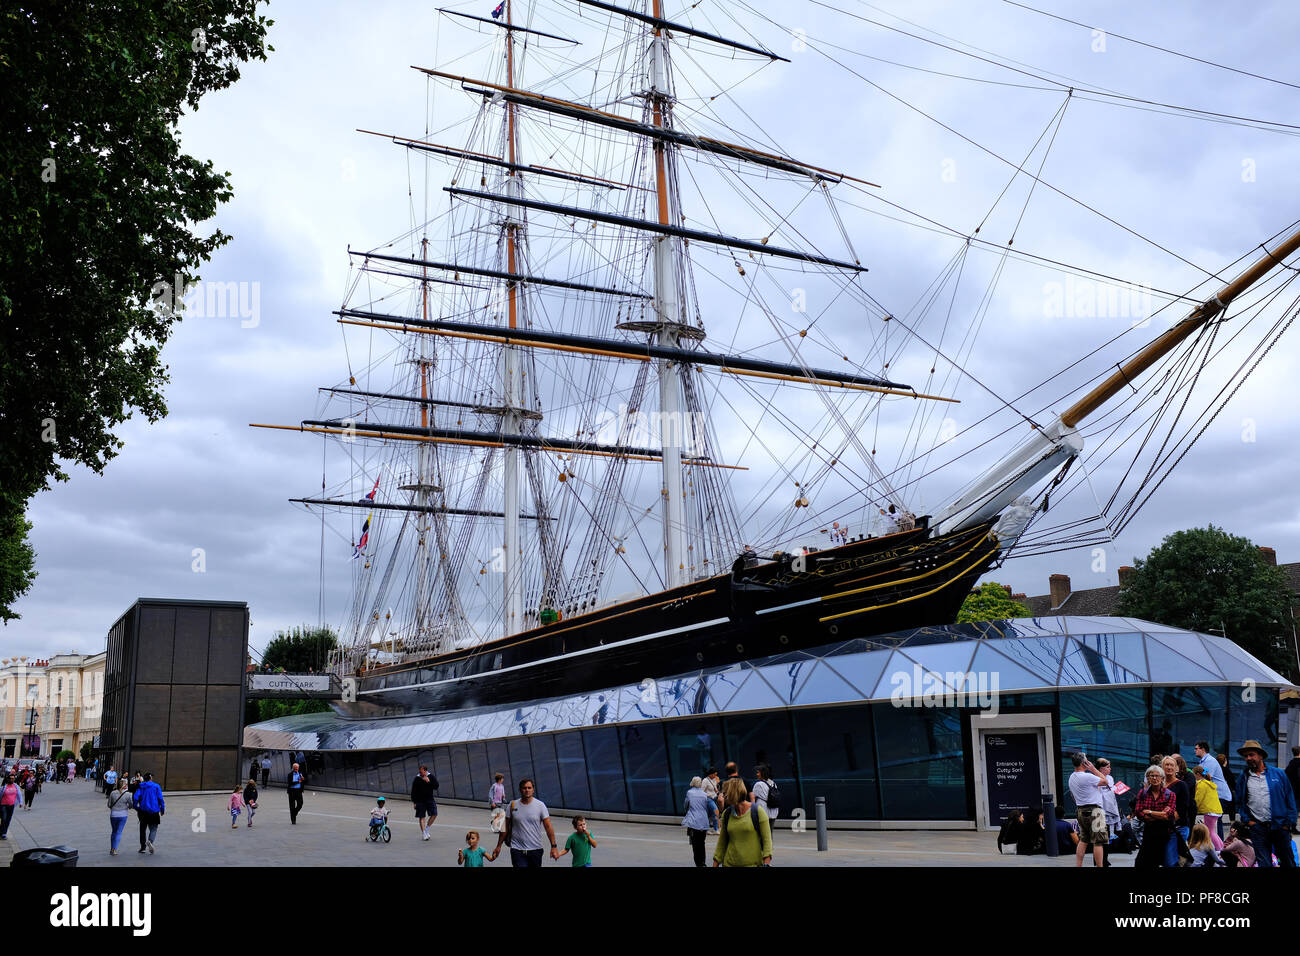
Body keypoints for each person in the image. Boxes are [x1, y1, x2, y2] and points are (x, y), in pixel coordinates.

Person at [1235, 739, 1298, 868]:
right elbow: (1239, 801)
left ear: (1261, 756)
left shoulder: (1279, 774)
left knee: (1287, 861)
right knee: (1264, 863)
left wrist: (1289, 823)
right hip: (1258, 828)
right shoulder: (1244, 777)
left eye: (1251, 754)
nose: (1248, 758)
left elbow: (1290, 798)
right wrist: (1247, 821)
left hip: (1280, 826)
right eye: (1246, 756)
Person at [492, 778, 560, 867]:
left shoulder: (540, 805)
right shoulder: (512, 805)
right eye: (524, 788)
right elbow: (505, 827)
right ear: (520, 790)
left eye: (529, 788)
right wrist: (498, 846)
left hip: (535, 849)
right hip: (517, 849)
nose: (527, 790)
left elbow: (548, 827)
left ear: (533, 789)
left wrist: (554, 846)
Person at [713, 777, 772, 867]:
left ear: (733, 793)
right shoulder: (727, 813)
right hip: (729, 864)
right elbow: (722, 842)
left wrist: (766, 863)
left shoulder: (758, 812)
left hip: (753, 864)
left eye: (725, 793)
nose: (723, 796)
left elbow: (767, 841)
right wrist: (715, 864)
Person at [1067, 752, 1108, 868]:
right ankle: (1100, 866)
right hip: (1095, 810)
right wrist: (1094, 769)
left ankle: (1078, 865)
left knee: (1084, 839)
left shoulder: (1071, 777)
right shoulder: (1087, 776)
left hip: (1080, 810)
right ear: (1084, 762)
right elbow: (1105, 782)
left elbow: (1072, 795)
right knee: (1098, 841)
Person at [1134, 765, 1176, 869]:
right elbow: (1139, 812)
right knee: (1140, 862)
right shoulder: (1143, 793)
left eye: (1157, 776)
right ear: (1147, 778)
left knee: (1161, 862)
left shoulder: (1169, 794)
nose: (1154, 778)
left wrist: (1149, 812)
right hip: (1148, 832)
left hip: (1164, 833)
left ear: (1162, 778)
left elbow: (1168, 815)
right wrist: (1159, 814)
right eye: (1151, 775)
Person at [1162, 756, 1194, 867]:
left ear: (1177, 768)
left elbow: (1182, 809)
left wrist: (1165, 819)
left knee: (1170, 861)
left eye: (1172, 765)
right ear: (1162, 767)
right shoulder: (1159, 784)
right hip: (1161, 828)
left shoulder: (1182, 785)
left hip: (1178, 828)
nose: (1169, 767)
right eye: (1166, 765)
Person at [682, 776, 716, 867]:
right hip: (704, 822)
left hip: (693, 822)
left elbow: (686, 805)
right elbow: (707, 807)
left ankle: (698, 864)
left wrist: (687, 812)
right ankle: (703, 863)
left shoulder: (689, 793)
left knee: (695, 845)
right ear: (700, 783)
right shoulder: (704, 794)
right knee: (702, 843)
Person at [1191, 764, 1224, 850]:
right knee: (1212, 832)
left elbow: (1198, 798)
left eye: (1194, 774)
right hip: (1215, 810)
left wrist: (1194, 809)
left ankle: (1219, 851)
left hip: (1210, 811)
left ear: (1197, 774)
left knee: (1209, 832)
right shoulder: (1209, 783)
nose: (1193, 776)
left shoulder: (1201, 784)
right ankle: (1222, 848)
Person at [133, 771, 165, 854]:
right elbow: (160, 798)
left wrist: (136, 807)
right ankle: (150, 841)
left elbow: (136, 797)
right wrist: (162, 809)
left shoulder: (141, 786)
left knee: (142, 829)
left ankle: (143, 847)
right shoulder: (156, 786)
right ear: (151, 778)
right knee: (154, 828)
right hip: (154, 811)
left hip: (143, 811)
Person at [750, 763, 780, 843]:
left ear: (762, 773)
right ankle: (769, 850)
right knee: (770, 833)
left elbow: (753, 797)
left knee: (762, 833)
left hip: (763, 811)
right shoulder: (773, 783)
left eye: (758, 772)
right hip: (773, 811)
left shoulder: (758, 784)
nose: (757, 774)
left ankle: (763, 850)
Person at [411, 764, 439, 841]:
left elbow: (436, 786)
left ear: (425, 771)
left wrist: (429, 782)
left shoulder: (431, 777)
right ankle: (424, 833)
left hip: (430, 799)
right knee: (421, 816)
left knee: (434, 814)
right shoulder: (417, 778)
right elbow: (413, 791)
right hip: (420, 801)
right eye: (419, 771)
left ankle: (427, 829)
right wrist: (414, 802)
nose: (420, 773)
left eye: (421, 771)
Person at [106, 777, 131, 855]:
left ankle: (112, 848)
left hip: (113, 814)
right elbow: (131, 805)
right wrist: (127, 806)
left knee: (114, 831)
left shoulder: (113, 793)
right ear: (124, 786)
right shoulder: (128, 794)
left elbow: (109, 804)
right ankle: (114, 849)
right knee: (119, 832)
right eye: (126, 784)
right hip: (123, 814)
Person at [0, 774, 23, 839]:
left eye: (13, 778)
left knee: (8, 819)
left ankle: (4, 833)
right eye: (11, 778)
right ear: (8, 779)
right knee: (4, 819)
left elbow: (19, 794)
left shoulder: (16, 786)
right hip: (3, 805)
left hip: (11, 805)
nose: (12, 780)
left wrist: (21, 802)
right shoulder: (4, 787)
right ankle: (2, 831)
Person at [1217, 752, 1237, 825]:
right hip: (1227, 793)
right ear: (1225, 761)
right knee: (1231, 809)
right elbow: (1232, 782)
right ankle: (1232, 824)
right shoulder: (1226, 770)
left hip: (1217, 793)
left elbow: (1205, 773)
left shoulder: (1215, 769)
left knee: (1219, 813)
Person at [1286, 746, 1300, 834]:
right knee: (1295, 809)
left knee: (1293, 809)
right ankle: (1293, 827)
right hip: (1298, 791)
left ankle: (1291, 826)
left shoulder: (1290, 764)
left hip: (1292, 791)